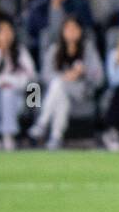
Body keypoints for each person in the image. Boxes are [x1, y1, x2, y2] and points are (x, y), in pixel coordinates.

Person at [29, 14, 102, 148]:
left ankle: (42, 123)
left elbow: (99, 76)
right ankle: (56, 137)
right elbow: (45, 75)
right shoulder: (54, 49)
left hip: (81, 90)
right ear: (62, 32)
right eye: (68, 29)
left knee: (58, 85)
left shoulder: (88, 48)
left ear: (81, 31)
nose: (72, 32)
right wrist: (65, 76)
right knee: (60, 92)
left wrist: (83, 72)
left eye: (75, 29)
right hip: (59, 91)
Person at [0, 17, 35, 150]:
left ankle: (8, 135)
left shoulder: (20, 51)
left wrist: (9, 81)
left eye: (9, 31)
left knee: (7, 93)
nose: (6, 35)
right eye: (2, 32)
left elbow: (31, 76)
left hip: (15, 97)